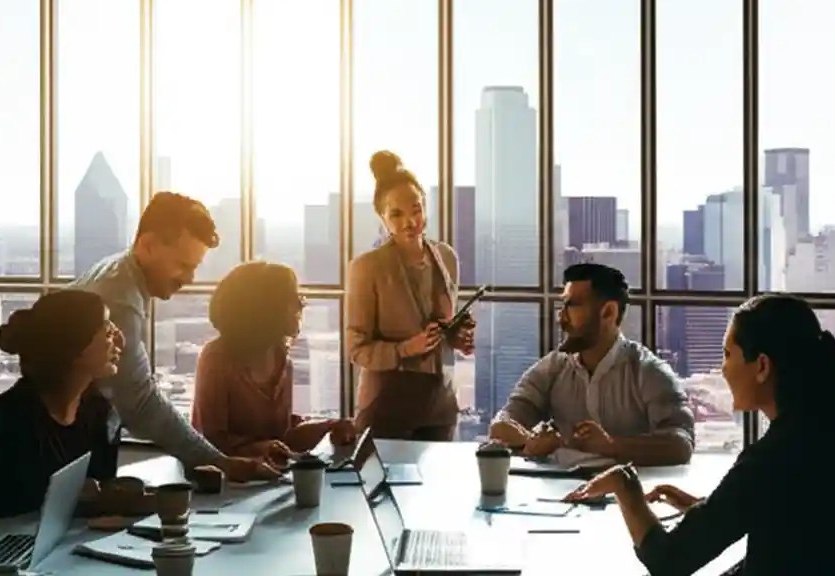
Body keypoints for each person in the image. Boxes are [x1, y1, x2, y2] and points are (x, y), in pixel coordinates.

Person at [564, 294, 835, 576]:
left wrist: (625, 487)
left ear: (762, 366)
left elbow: (668, 560)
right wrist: (709, 509)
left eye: (728, 355)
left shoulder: (775, 456)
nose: (722, 368)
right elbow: (798, 523)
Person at [71, 191, 280, 482]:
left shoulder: (115, 273)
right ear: (148, 245)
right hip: (77, 446)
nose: (189, 278)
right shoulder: (120, 300)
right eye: (183, 265)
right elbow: (140, 404)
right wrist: (220, 462)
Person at [489, 263, 694, 466]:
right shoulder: (553, 367)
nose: (561, 317)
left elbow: (680, 444)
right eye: (563, 305)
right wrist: (532, 442)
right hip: (561, 486)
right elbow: (501, 426)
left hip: (630, 486)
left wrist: (610, 445)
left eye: (572, 305)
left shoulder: (648, 371)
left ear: (608, 312)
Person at [0, 291, 124, 530]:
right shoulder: (13, 416)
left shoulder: (99, 410)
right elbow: (7, 507)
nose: (119, 340)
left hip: (63, 538)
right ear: (76, 346)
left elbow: (102, 489)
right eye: (107, 332)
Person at [345, 150, 474, 441]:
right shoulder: (366, 268)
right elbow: (356, 348)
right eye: (396, 214)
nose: (410, 221)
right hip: (387, 404)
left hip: (439, 405)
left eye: (416, 209)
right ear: (382, 217)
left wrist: (457, 336)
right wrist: (405, 349)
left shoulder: (446, 258)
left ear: (425, 206)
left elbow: (443, 327)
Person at [193, 261, 357, 459]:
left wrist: (330, 427)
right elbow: (210, 440)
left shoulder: (281, 360)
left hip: (270, 475)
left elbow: (284, 436)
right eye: (292, 298)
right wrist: (260, 449)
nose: (301, 304)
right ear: (267, 308)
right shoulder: (217, 359)